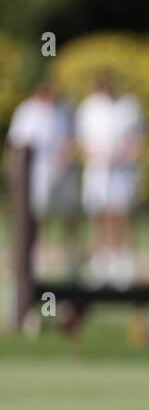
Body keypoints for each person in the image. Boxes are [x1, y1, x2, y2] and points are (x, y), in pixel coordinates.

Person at [75, 72, 143, 289]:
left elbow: (137, 141)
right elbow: (81, 143)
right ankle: (100, 261)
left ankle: (121, 261)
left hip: (121, 171)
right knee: (99, 214)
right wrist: (97, 157)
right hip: (97, 171)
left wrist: (123, 156)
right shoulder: (88, 108)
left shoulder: (128, 108)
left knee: (120, 213)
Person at [4, 81, 76, 269]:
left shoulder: (61, 111)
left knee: (66, 212)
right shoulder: (27, 110)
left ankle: (69, 252)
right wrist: (14, 171)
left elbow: (68, 140)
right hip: (34, 172)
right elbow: (16, 143)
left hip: (60, 170)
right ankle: (36, 250)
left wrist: (63, 160)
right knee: (36, 212)